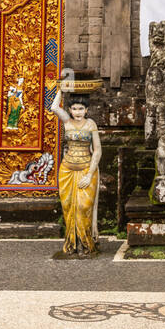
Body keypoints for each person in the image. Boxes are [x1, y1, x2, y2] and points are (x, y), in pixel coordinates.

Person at [49, 86, 101, 258]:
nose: (78, 112)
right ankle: (72, 244)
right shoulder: (67, 121)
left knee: (83, 206)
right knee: (68, 207)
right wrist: (60, 90)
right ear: (69, 110)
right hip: (67, 170)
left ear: (87, 110)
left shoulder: (91, 124)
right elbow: (54, 107)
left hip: (86, 169)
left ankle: (86, 245)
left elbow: (97, 151)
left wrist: (89, 175)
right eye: (74, 108)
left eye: (81, 109)